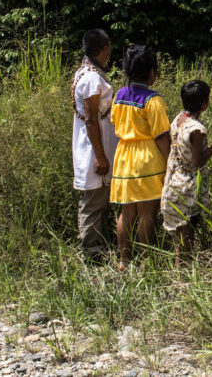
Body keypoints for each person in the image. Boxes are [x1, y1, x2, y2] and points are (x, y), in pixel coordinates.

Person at [110, 45, 170, 267]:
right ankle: (146, 261)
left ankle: (124, 261)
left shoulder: (119, 95)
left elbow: (114, 121)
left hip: (124, 158)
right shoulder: (153, 100)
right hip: (147, 160)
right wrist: (170, 161)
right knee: (147, 214)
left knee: (126, 213)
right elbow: (161, 136)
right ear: (152, 72)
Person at [160, 80, 212, 261]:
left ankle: (181, 263)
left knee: (182, 231)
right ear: (204, 104)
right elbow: (198, 161)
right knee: (187, 230)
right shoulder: (197, 130)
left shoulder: (178, 118)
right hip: (187, 186)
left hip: (173, 179)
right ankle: (183, 266)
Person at [70, 28, 119, 261]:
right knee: (92, 202)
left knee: (97, 200)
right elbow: (91, 120)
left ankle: (96, 248)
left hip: (94, 147)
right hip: (93, 150)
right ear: (104, 48)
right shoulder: (91, 78)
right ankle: (91, 252)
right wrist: (100, 156)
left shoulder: (87, 72)